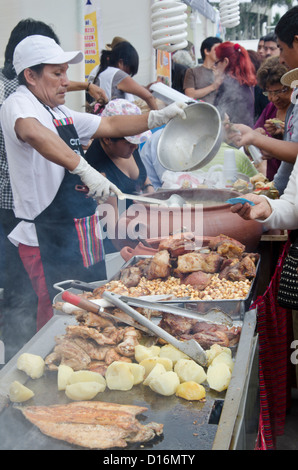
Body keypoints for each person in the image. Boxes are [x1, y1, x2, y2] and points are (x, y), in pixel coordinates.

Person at [0, 34, 186, 330]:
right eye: (57, 73)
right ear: (30, 76)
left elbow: (109, 124)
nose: (66, 81)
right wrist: (84, 169)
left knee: (91, 308)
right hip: (44, 237)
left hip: (79, 231)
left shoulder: (58, 111)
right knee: (58, 313)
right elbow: (32, 132)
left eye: (66, 72)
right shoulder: (19, 104)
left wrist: (156, 117)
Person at [85, 99, 154, 253]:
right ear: (107, 138)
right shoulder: (99, 171)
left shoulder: (127, 147)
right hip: (119, 247)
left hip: (140, 230)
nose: (135, 146)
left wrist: (150, 191)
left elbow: (143, 178)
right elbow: (114, 232)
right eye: (130, 142)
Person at [88, 40, 158, 110]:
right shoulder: (117, 74)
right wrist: (159, 118)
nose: (127, 76)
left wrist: (145, 88)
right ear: (120, 63)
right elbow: (149, 97)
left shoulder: (100, 70)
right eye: (128, 72)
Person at [253, 56, 292, 180]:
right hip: (274, 181)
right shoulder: (270, 109)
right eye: (269, 92)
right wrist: (257, 141)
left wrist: (282, 137)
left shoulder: (295, 111)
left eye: (280, 91)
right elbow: (250, 147)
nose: (274, 98)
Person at [213, 41, 256, 127]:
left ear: (225, 62)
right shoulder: (247, 82)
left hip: (234, 136)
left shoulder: (226, 84)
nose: (214, 66)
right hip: (248, 132)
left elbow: (216, 115)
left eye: (216, 63)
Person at [183, 36, 223, 104]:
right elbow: (190, 95)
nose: (220, 53)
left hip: (218, 112)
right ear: (207, 51)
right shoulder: (192, 72)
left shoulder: (221, 72)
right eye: (216, 49)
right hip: (199, 112)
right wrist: (213, 86)